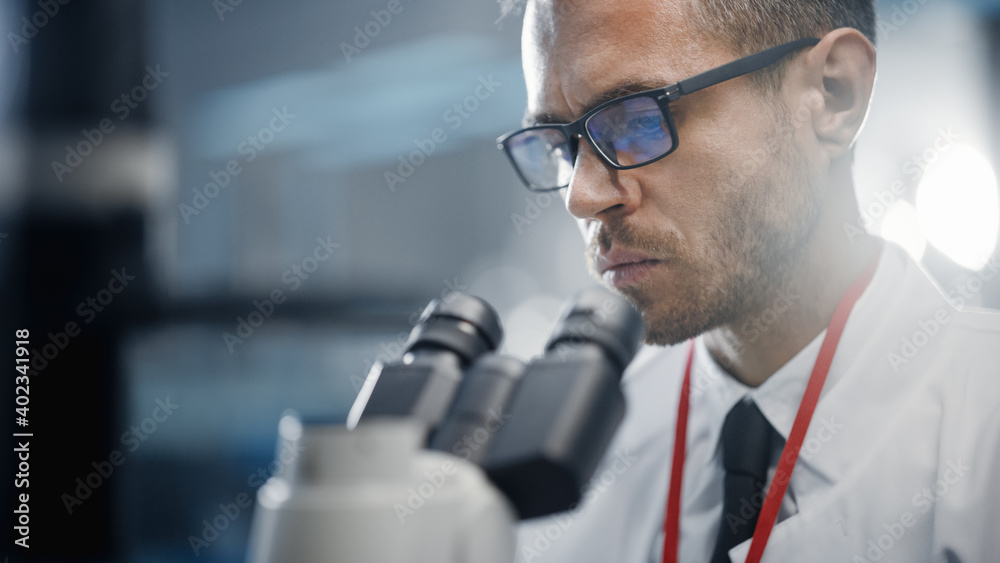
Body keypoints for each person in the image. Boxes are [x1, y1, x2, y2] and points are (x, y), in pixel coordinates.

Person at [496, 0, 1000, 561]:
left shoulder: (985, 427)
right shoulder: (581, 469)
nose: (582, 198)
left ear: (835, 94)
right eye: (559, 145)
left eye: (637, 120)